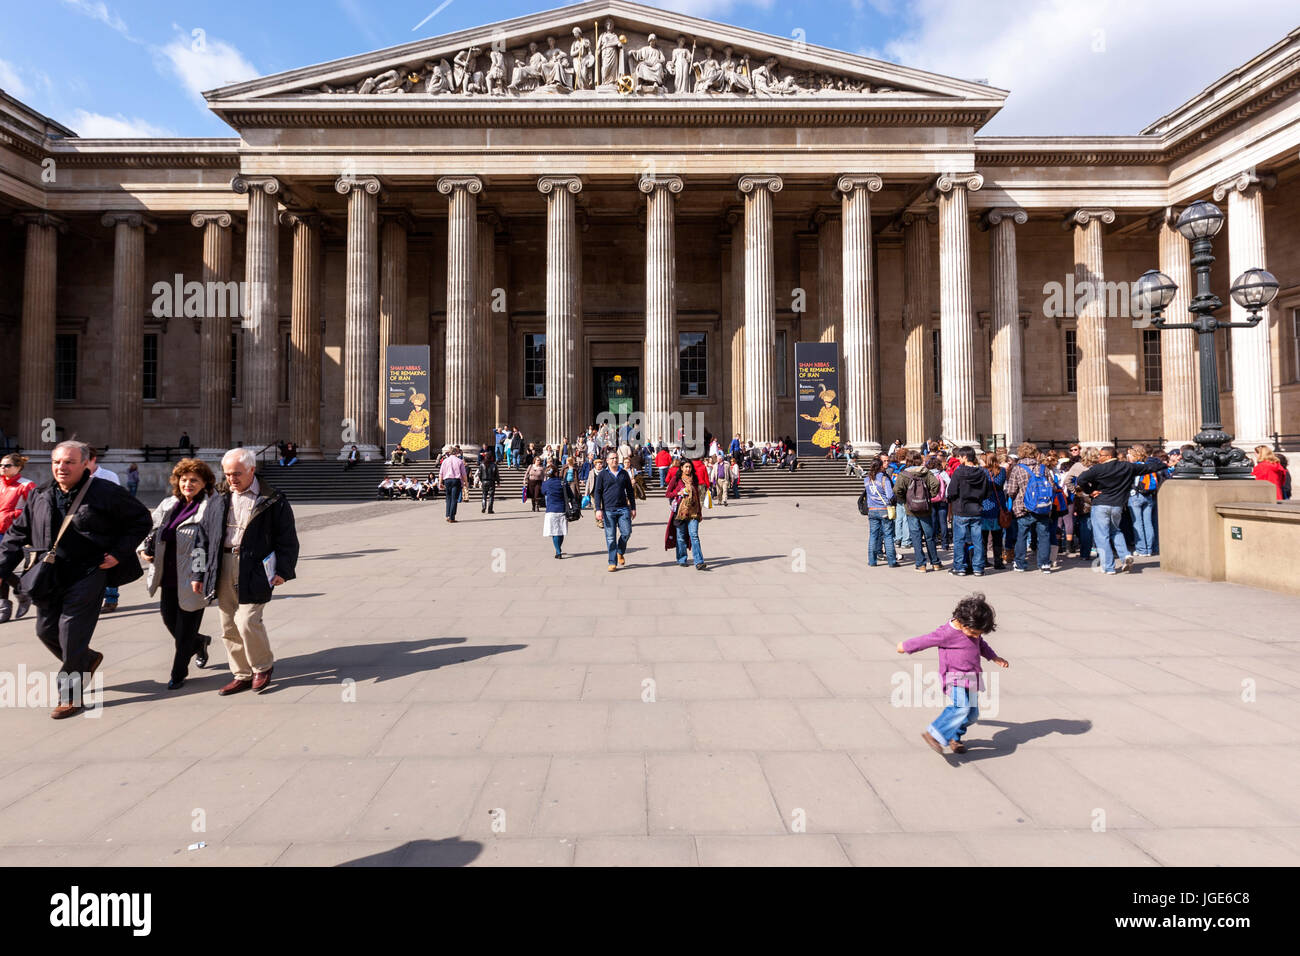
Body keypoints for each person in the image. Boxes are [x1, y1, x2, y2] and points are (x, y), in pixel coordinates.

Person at [0, 440, 150, 718]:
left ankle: (70, 696)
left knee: (72, 635)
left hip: (89, 572)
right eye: (57, 462)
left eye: (69, 462)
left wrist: (118, 553)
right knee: (45, 631)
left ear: (85, 464)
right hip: (50, 575)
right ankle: (86, 659)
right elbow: (17, 535)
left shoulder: (106, 492)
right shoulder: (41, 494)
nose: (62, 467)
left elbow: (141, 520)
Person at [210, 447, 298, 695]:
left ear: (252, 470)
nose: (231, 479)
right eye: (227, 474)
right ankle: (241, 674)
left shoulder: (273, 499)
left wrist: (283, 570)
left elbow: (287, 538)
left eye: (237, 473)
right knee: (228, 624)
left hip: (256, 566)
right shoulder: (218, 496)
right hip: (224, 563)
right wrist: (200, 573)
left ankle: (262, 667)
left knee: (247, 620)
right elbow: (206, 535)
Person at [139, 458, 222, 689]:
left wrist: (199, 575)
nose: (188, 484)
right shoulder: (168, 504)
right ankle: (199, 642)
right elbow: (151, 530)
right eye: (184, 479)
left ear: (205, 483)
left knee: (184, 630)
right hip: (167, 576)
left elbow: (205, 545)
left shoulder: (210, 507)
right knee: (170, 621)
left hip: (192, 578)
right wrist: (144, 551)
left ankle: (178, 672)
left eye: (194, 480)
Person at [896, 593, 1008, 755]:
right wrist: (905, 646)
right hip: (953, 677)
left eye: (979, 634)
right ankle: (934, 733)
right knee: (961, 706)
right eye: (973, 633)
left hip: (972, 678)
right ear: (962, 622)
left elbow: (981, 645)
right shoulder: (947, 633)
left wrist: (994, 657)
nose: (976, 637)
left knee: (972, 715)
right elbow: (926, 640)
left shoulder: (973, 629)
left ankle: (954, 737)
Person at [1076, 445, 1165, 575]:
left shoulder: (1098, 468)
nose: (1098, 457)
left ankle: (1108, 567)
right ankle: (1125, 556)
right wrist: (1164, 464)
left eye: (1101, 455)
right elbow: (1148, 468)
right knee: (1115, 531)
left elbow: (1081, 479)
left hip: (1101, 504)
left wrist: (1090, 491)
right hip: (1117, 505)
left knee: (1102, 536)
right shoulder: (1126, 466)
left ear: (1108, 456)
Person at [1002, 443, 1055, 574]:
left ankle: (1020, 563)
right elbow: (1052, 487)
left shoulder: (1018, 468)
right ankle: (1044, 564)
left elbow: (1011, 491)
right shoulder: (1043, 468)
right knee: (1044, 536)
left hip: (1023, 507)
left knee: (1022, 535)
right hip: (1042, 507)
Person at [87, 447, 123, 612]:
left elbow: (117, 501)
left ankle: (111, 598)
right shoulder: (77, 476)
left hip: (107, 527)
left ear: (93, 459)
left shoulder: (108, 476)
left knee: (108, 562)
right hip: (86, 528)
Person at [0, 453, 35, 622]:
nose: (3, 468)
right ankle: (19, 594)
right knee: (1, 570)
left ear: (18, 467)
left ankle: (5, 606)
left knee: (2, 568)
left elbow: (34, 510)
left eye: (7, 465)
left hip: (13, 533)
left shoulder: (26, 485)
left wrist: (11, 515)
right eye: (1, 465)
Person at [947, 447, 992, 576]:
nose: (959, 459)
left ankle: (960, 566)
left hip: (961, 509)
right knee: (977, 540)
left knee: (959, 540)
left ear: (965, 457)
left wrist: (954, 500)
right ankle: (978, 567)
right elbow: (986, 492)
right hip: (976, 509)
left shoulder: (959, 472)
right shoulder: (982, 472)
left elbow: (952, 491)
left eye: (960, 457)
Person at [894, 450, 941, 572]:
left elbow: (896, 490)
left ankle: (921, 564)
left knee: (916, 537)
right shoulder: (926, 472)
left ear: (908, 460)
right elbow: (936, 484)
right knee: (929, 536)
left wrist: (905, 499)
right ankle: (935, 562)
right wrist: (929, 496)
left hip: (911, 510)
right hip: (925, 508)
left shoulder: (904, 474)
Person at [593, 450, 636, 572]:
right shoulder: (602, 474)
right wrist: (598, 509)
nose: (615, 460)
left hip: (623, 508)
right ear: (607, 461)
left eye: (616, 458)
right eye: (612, 458)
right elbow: (598, 492)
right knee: (610, 537)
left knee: (627, 532)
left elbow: (630, 491)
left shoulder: (623, 473)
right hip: (608, 510)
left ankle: (620, 551)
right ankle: (612, 562)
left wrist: (633, 507)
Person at [665, 456, 707, 570]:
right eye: (686, 467)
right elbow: (668, 493)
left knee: (694, 535)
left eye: (689, 467)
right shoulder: (676, 479)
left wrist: (700, 512)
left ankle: (699, 561)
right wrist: (678, 492)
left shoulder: (695, 479)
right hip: (680, 512)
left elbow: (697, 496)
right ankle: (682, 558)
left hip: (693, 512)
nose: (688, 469)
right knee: (681, 536)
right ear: (682, 468)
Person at [1126, 443, 1162, 556]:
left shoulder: (1132, 467)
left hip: (1135, 496)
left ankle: (1141, 549)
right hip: (1149, 496)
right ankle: (1149, 549)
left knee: (1138, 524)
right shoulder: (1149, 465)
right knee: (1148, 523)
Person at [863, 457, 898, 568]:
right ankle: (892, 561)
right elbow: (889, 495)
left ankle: (872, 560)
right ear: (880, 466)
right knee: (888, 535)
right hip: (884, 509)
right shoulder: (884, 479)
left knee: (873, 535)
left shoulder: (866, 479)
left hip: (872, 509)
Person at [540, 462, 570, 559]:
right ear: (556, 472)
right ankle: (559, 549)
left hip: (551, 510)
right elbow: (570, 494)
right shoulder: (563, 482)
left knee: (554, 532)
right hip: (562, 509)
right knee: (561, 531)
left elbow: (543, 492)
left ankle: (558, 551)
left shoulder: (546, 484)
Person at [438, 445, 468, 523]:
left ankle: (447, 515)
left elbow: (441, 473)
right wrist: (466, 482)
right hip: (456, 480)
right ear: (456, 453)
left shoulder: (445, 461)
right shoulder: (459, 461)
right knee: (454, 499)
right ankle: (452, 517)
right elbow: (464, 474)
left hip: (447, 480)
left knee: (448, 498)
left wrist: (440, 482)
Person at [478, 449, 500, 514]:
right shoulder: (494, 465)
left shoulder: (482, 464)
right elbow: (497, 474)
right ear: (491, 457)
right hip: (491, 481)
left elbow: (479, 474)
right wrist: (498, 482)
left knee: (484, 495)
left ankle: (483, 507)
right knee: (491, 496)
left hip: (484, 481)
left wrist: (481, 480)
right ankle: (490, 509)